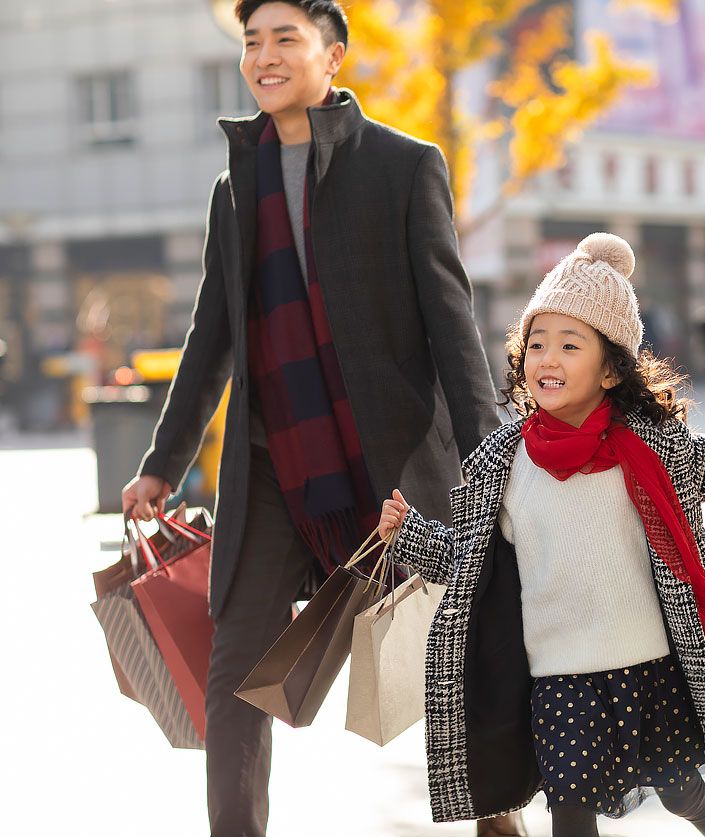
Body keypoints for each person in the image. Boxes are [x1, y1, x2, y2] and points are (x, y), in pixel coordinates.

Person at [118, 3, 521, 835]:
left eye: (284, 40)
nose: (263, 58)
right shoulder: (236, 187)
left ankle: (497, 811)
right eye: (251, 43)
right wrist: (163, 459)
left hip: (394, 460)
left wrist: (490, 459)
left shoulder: (406, 167)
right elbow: (212, 338)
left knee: (460, 644)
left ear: (331, 56)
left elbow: (453, 326)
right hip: (276, 464)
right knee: (236, 670)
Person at [377, 233, 705, 837]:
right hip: (557, 675)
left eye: (571, 345)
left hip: (647, 665)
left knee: (682, 791)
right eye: (537, 344)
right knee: (570, 813)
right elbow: (471, 560)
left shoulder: (651, 449)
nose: (550, 360)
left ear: (612, 368)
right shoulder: (501, 463)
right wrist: (408, 536)